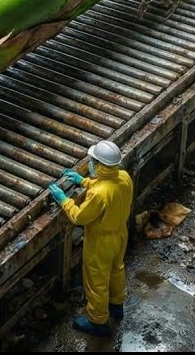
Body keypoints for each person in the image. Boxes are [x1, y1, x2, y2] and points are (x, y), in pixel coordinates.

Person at [47, 140, 134, 337]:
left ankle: (98, 321)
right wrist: (82, 180)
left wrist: (64, 200)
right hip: (120, 234)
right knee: (116, 269)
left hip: (100, 241)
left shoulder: (99, 193)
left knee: (97, 281)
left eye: (93, 161)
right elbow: (107, 184)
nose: (91, 164)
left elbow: (79, 216)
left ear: (101, 165)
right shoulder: (124, 176)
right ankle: (116, 305)